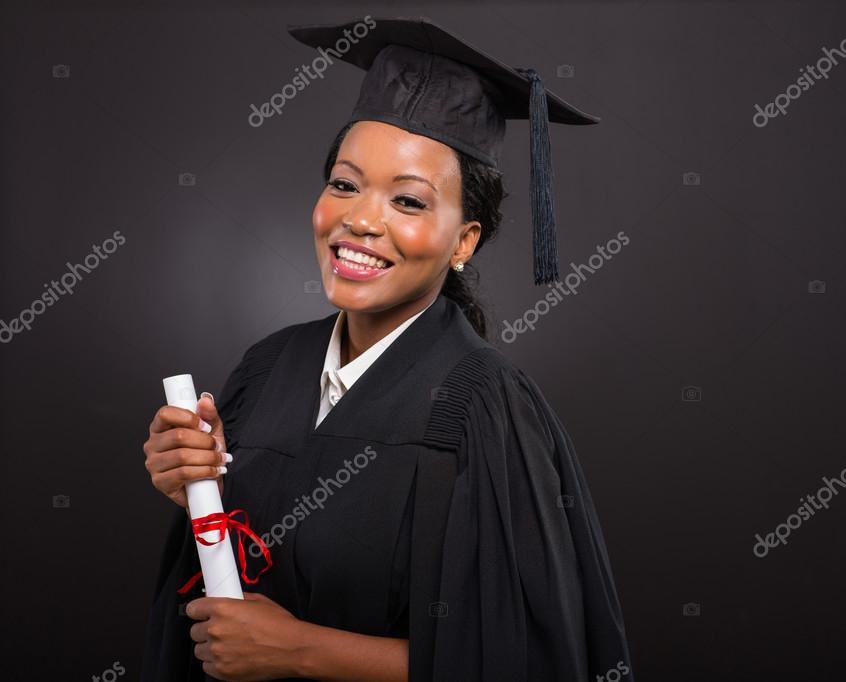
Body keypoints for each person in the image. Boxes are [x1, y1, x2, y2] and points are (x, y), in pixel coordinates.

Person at [141, 16, 634, 682]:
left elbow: (526, 662)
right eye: (344, 184)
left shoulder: (481, 408)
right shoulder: (266, 369)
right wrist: (197, 486)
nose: (361, 220)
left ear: (463, 242)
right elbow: (234, 595)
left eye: (407, 199)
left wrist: (299, 649)